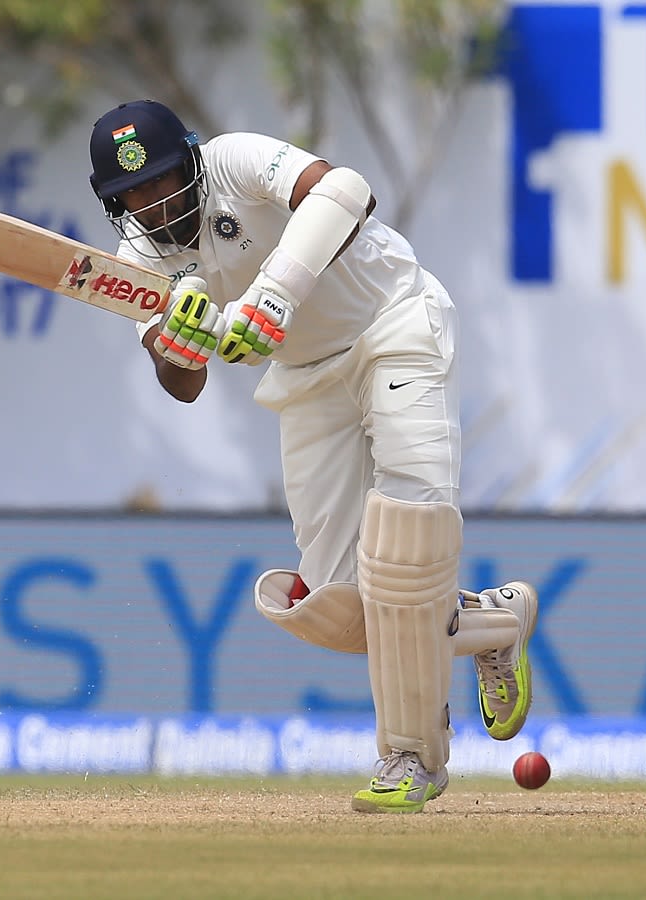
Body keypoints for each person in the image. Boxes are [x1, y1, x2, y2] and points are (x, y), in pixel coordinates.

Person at [86, 99, 539, 813]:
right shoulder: (138, 260)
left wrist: (273, 295)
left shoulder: (236, 159)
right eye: (132, 196)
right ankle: (494, 622)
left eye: (164, 180)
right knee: (339, 604)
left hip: (394, 327)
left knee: (406, 540)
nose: (152, 204)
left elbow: (348, 190)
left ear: (193, 162)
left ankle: (409, 757)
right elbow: (181, 383)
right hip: (306, 381)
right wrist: (182, 340)